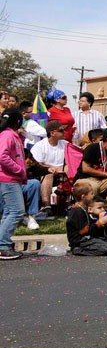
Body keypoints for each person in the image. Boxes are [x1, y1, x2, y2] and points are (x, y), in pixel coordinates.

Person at [65, 180, 107, 256]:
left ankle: (95, 245)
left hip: (89, 237)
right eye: (91, 194)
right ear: (83, 197)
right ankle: (78, 250)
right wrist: (99, 223)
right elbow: (83, 231)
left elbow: (90, 228)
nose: (93, 196)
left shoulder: (84, 209)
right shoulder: (77, 211)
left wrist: (103, 223)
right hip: (80, 240)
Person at [1, 107, 31, 260]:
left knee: (8, 212)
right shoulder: (7, 135)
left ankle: (3, 242)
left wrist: (22, 137)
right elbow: (2, 156)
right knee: (17, 211)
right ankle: (2, 245)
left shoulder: (12, 135)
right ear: (18, 121)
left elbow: (16, 153)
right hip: (8, 178)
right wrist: (19, 169)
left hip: (11, 178)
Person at [31, 120, 69, 215]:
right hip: (46, 172)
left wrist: (63, 168)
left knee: (69, 169)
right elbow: (37, 164)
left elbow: (71, 160)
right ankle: (46, 205)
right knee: (48, 174)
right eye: (61, 130)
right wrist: (53, 168)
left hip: (62, 171)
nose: (64, 132)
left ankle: (68, 204)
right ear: (52, 133)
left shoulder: (65, 144)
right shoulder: (40, 146)